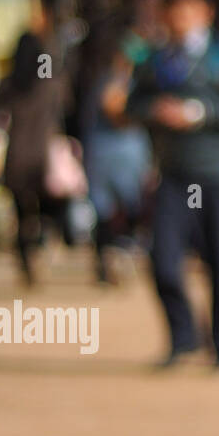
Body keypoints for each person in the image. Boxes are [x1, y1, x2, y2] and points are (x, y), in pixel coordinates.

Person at [126, 0, 219, 368]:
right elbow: (131, 103)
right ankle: (183, 337)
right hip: (174, 175)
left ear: (206, 12)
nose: (181, 18)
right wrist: (155, 110)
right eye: (175, 10)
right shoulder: (156, 59)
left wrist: (202, 113)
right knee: (163, 260)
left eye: (189, 9)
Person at [77, 16, 153, 287]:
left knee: (118, 209)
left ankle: (113, 261)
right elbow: (115, 111)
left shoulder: (122, 78)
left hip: (119, 153)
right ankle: (108, 263)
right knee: (111, 211)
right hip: (113, 154)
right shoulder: (113, 79)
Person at [0, 13, 70, 287]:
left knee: (22, 211)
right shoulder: (49, 84)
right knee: (48, 207)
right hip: (43, 156)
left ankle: (26, 257)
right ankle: (43, 243)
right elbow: (64, 107)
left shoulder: (9, 85)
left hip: (17, 157)